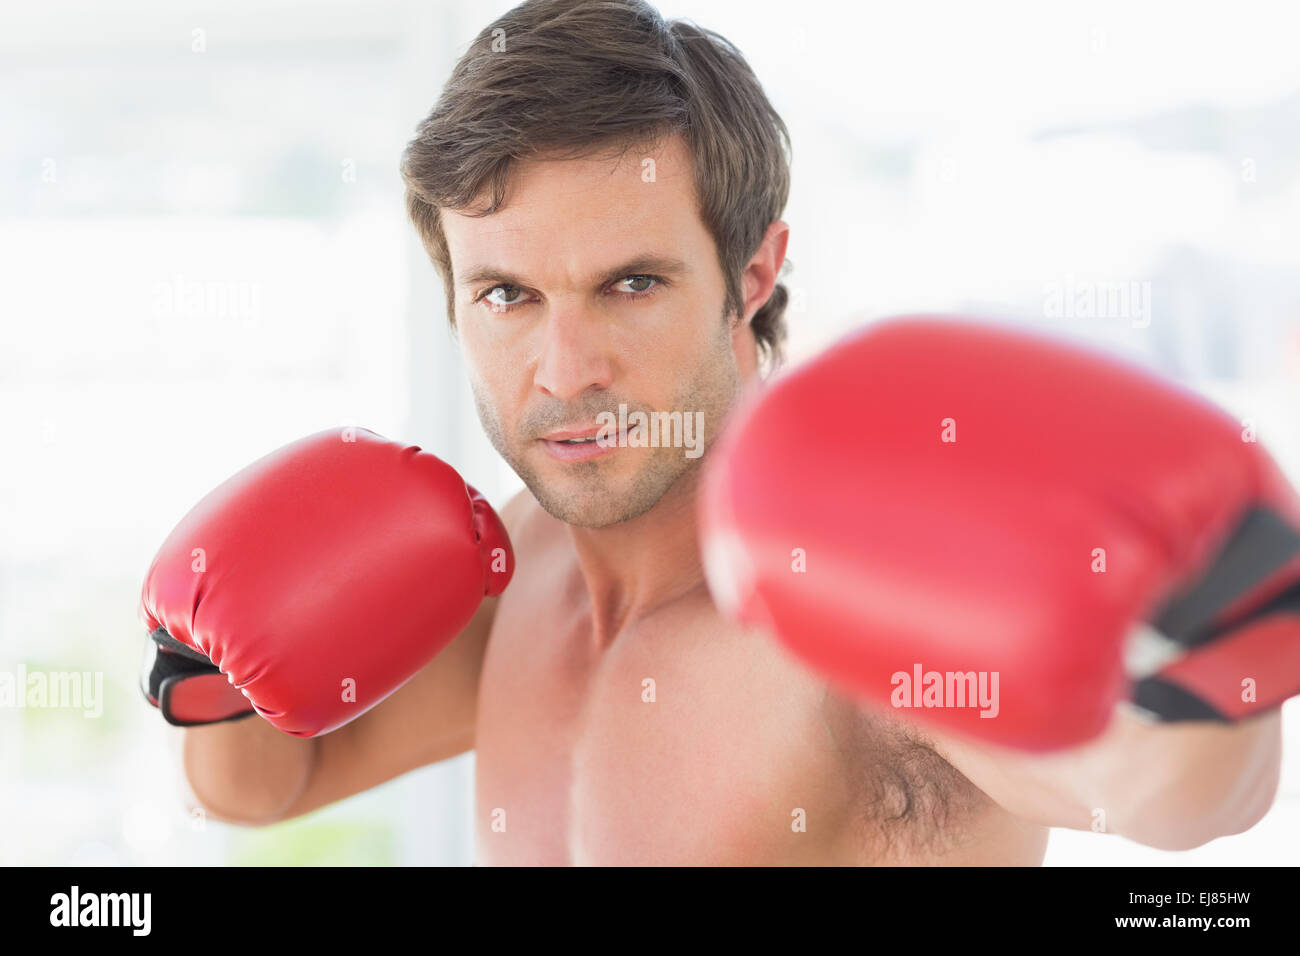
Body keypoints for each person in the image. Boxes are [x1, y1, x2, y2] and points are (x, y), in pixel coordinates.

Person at [145, 0, 1285, 865]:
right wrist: (205, 660)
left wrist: (1210, 641)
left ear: (753, 275)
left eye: (630, 283)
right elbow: (263, 782)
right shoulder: (504, 567)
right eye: (507, 295)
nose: (565, 369)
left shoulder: (845, 588)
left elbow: (1173, 795)